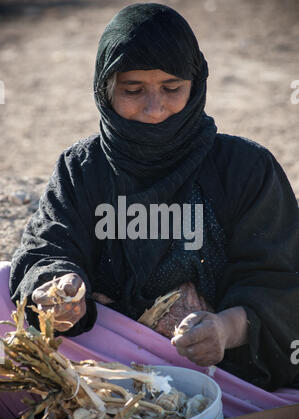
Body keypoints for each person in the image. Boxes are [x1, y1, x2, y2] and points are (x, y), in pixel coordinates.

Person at [7, 3, 299, 393]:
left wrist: (226, 329)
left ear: (196, 84)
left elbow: (282, 280)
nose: (154, 108)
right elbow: (47, 248)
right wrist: (58, 289)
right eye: (133, 90)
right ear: (104, 89)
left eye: (172, 88)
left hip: (220, 373)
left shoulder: (244, 168)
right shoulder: (83, 168)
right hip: (103, 367)